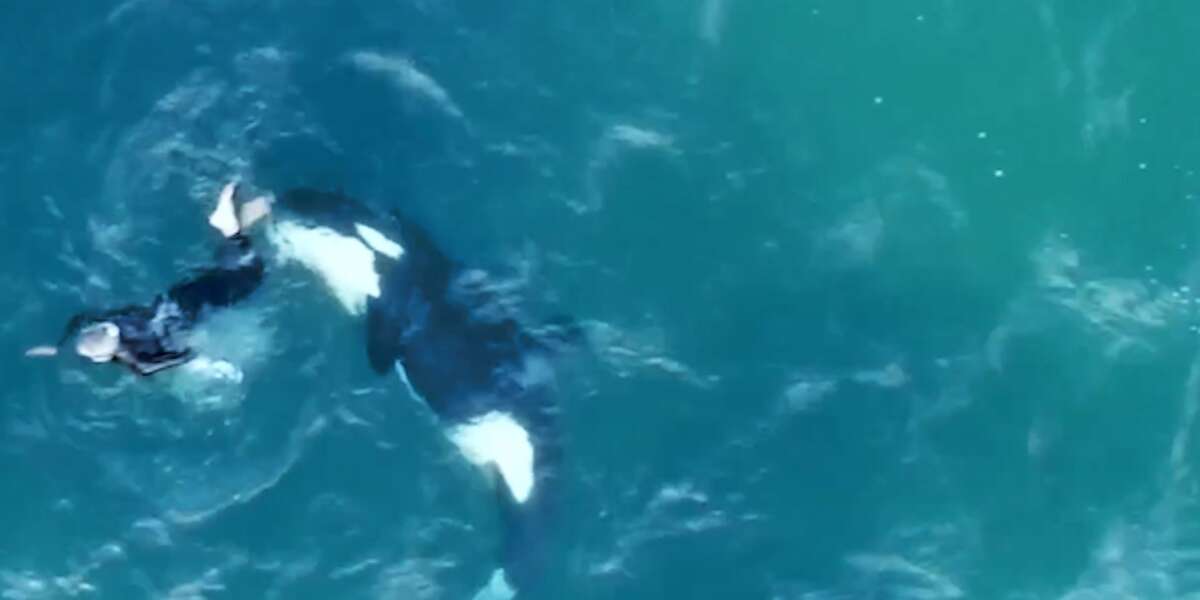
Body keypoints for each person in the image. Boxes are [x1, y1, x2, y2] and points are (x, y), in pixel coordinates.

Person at [27, 182, 272, 376]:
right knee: (223, 274)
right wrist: (60, 347)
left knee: (251, 277)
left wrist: (197, 355)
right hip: (174, 300)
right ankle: (235, 231)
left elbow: (169, 361)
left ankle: (229, 228)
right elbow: (79, 319)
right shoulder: (103, 320)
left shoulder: (138, 361)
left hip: (189, 312)